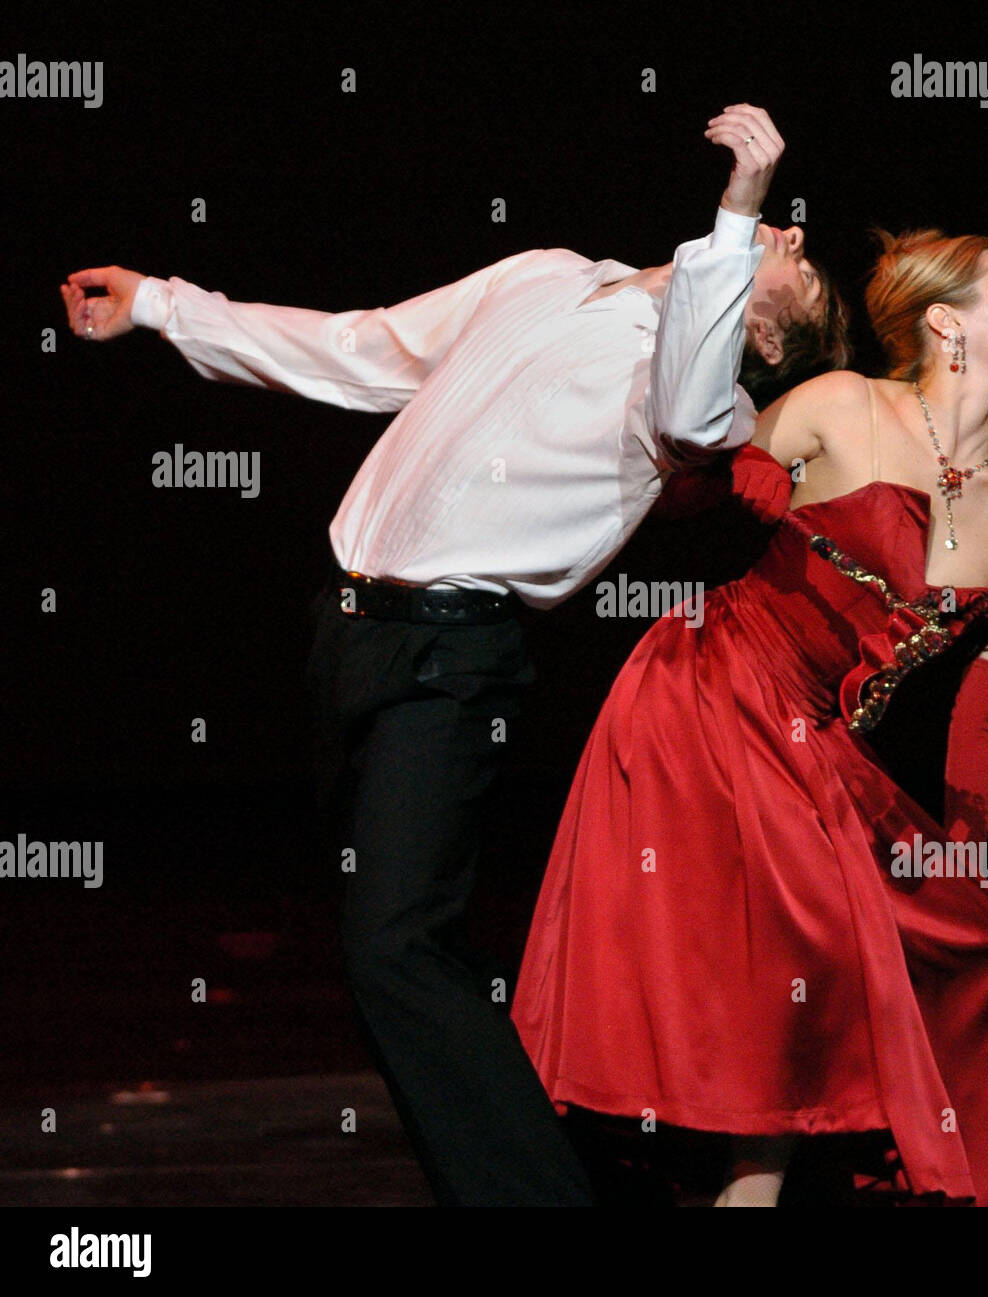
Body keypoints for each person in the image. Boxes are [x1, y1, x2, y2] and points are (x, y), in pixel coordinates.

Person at [58, 105, 852, 1206]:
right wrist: (160, 303)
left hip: (453, 658)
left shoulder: (697, 399)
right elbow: (363, 351)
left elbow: (689, 395)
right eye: (788, 248)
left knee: (394, 944)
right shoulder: (549, 273)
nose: (794, 246)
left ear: (762, 344)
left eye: (797, 281)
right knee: (383, 948)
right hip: (348, 636)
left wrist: (741, 212)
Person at [510, 225, 988, 1206]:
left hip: (816, 744)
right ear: (947, 323)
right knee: (810, 931)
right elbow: (685, 488)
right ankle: (746, 1184)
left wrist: (961, 855)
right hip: (703, 687)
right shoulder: (842, 405)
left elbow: (986, 708)